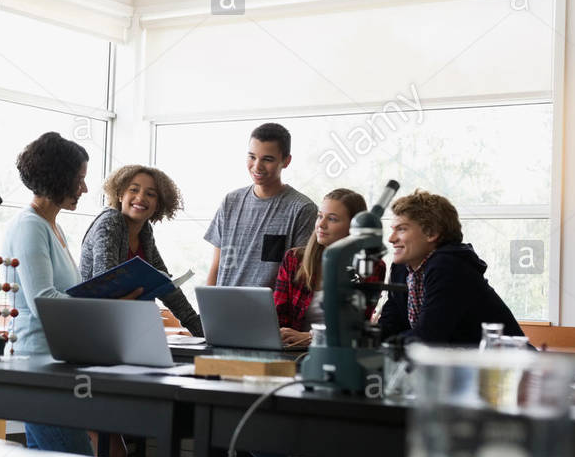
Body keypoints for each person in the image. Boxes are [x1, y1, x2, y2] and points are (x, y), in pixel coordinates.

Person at [5, 131, 94, 456]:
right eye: (79, 179)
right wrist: (103, 305)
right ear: (59, 179)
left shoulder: (53, 228)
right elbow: (44, 302)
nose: (84, 188)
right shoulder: (30, 226)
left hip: (57, 363)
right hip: (38, 366)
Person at [377, 189, 523, 345]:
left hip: (507, 365)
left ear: (431, 233)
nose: (391, 239)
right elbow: (389, 326)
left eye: (401, 229)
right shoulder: (402, 270)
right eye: (393, 229)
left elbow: (428, 336)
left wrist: (386, 344)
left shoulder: (448, 266)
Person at [78, 164, 203, 337]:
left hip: (129, 328)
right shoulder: (110, 222)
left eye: (150, 194)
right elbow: (106, 286)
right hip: (98, 330)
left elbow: (165, 285)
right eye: (133, 190)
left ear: (158, 204)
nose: (141, 197)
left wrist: (201, 329)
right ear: (120, 194)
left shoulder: (145, 231)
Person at [205, 122, 317, 288]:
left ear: (286, 161)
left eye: (268, 159)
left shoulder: (302, 209)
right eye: (252, 157)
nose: (257, 166)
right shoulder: (230, 201)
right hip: (222, 309)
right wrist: (208, 307)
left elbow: (301, 276)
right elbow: (216, 266)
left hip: (271, 313)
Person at [273, 188, 384, 347]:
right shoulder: (294, 259)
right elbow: (279, 316)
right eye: (320, 216)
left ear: (354, 227)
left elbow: (357, 324)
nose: (321, 224)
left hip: (341, 351)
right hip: (291, 349)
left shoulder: (371, 266)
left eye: (332, 219)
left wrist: (311, 336)